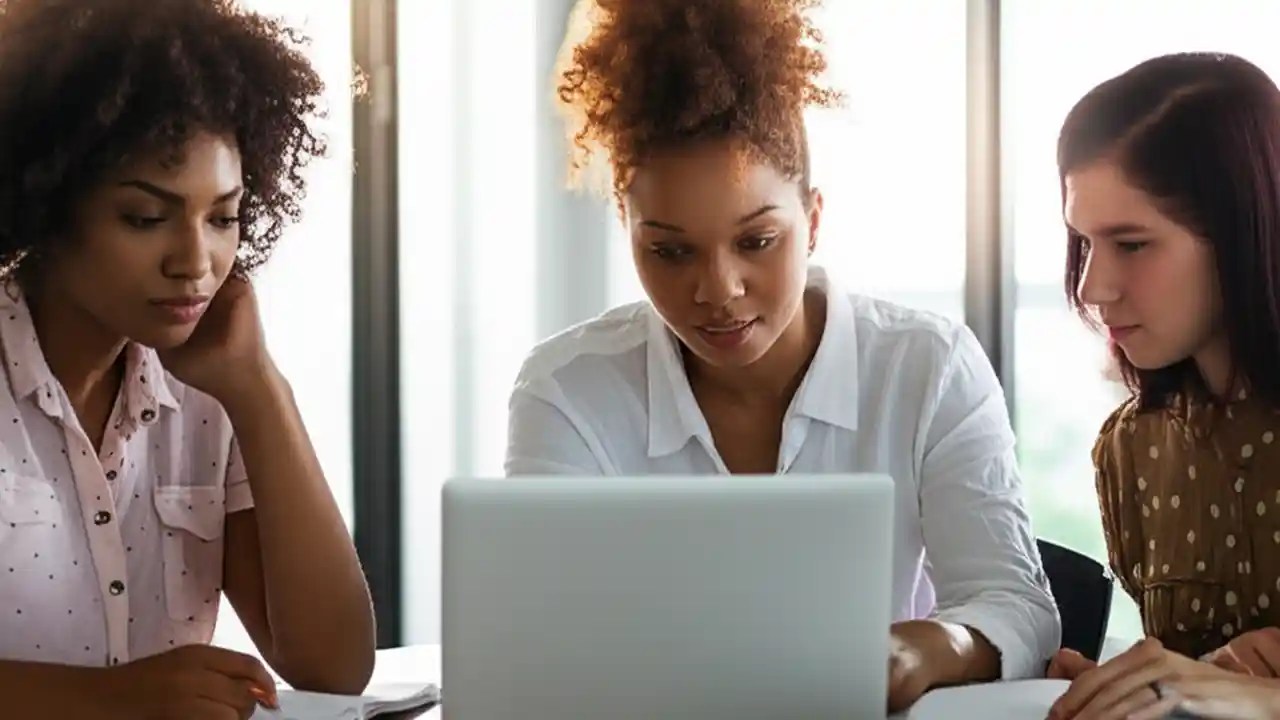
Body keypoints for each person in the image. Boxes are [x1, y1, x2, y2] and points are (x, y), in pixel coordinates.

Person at [506, 0, 1060, 711]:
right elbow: (536, 639)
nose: (719, 290)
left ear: (815, 219)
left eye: (757, 241)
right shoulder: (566, 391)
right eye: (670, 251)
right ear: (628, 228)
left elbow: (1016, 602)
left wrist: (925, 646)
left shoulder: (927, 366)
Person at [0, 0, 376, 717]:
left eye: (223, 216)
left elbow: (334, 667)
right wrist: (105, 701)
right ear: (44, 204)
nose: (196, 262)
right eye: (145, 218)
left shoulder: (209, 388)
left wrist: (262, 391)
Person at [1046, 52, 1280, 720]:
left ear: (1244, 231)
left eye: (1133, 244)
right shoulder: (1131, 451)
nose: (1092, 288)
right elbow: (1191, 686)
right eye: (1085, 243)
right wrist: (1117, 687)